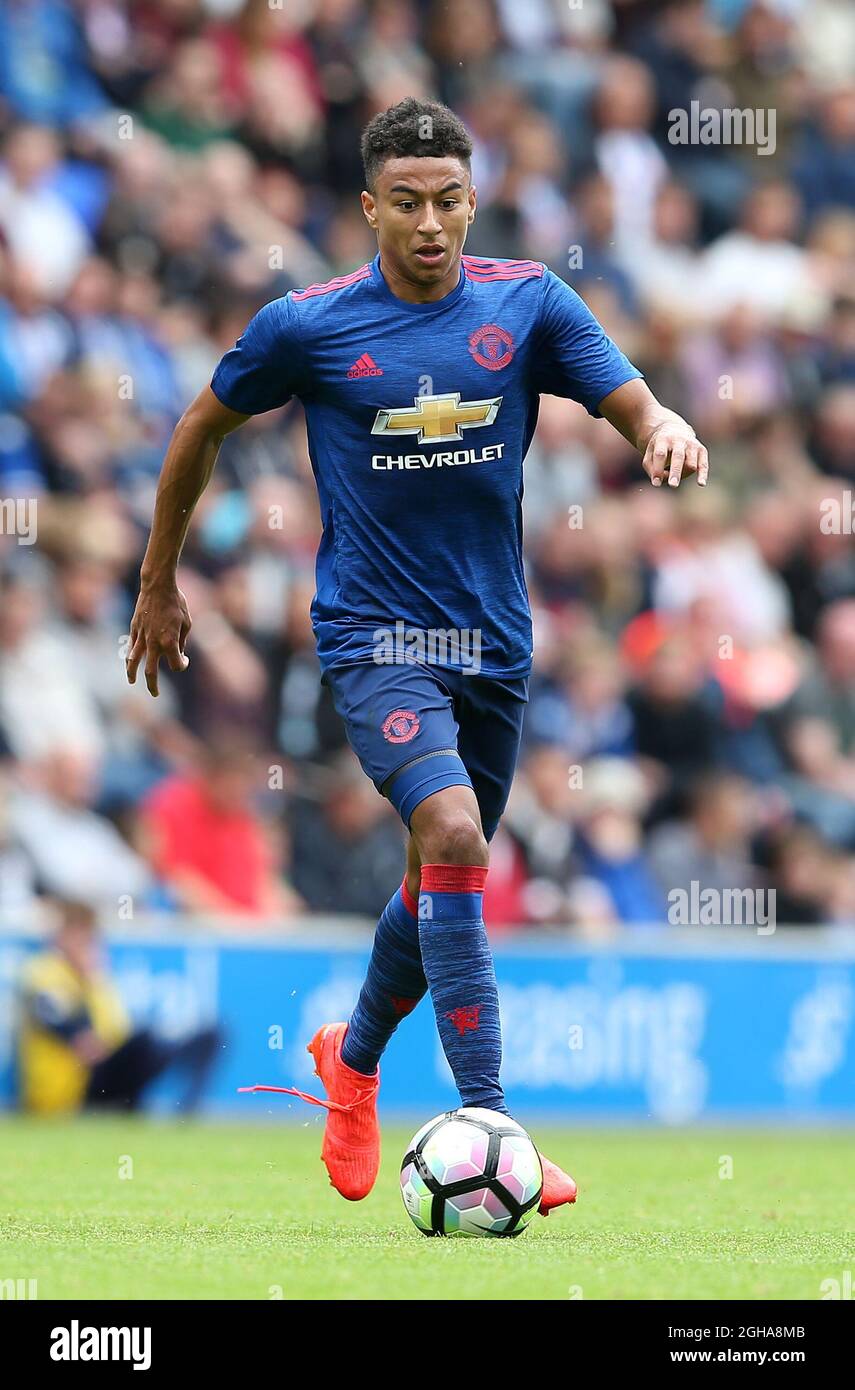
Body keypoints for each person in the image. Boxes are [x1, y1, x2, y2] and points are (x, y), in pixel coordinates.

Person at [126, 98, 709, 1215]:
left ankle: (352, 1062)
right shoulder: (309, 325)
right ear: (369, 208)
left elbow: (627, 397)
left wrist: (663, 428)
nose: (430, 223)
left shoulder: (528, 300)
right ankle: (490, 1116)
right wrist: (159, 581)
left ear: (471, 199)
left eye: (447, 200)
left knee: (436, 879)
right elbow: (198, 427)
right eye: (406, 203)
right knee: (449, 835)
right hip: (374, 635)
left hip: (494, 641)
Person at [19, 898, 222, 1114]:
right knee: (144, 1043)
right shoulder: (44, 970)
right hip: (67, 1092)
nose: (84, 946)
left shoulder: (95, 976)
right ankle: (127, 1104)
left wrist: (93, 981)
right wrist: (90, 986)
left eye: (88, 938)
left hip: (97, 1074)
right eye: (78, 937)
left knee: (208, 1034)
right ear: (61, 938)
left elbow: (114, 1030)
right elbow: (69, 1028)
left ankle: (186, 1109)